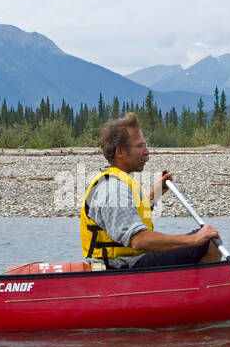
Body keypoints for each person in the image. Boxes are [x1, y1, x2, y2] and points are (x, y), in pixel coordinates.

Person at [81, 112, 221, 269]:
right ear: (119, 152)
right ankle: (201, 291)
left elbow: (128, 214)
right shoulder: (113, 189)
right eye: (140, 146)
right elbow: (138, 240)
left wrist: (155, 194)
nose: (147, 152)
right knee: (209, 242)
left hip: (128, 261)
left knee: (203, 239)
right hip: (122, 266)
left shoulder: (115, 182)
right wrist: (194, 239)